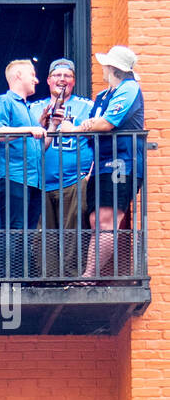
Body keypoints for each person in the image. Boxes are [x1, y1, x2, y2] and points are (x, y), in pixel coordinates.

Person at [69, 45, 145, 280]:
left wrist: (74, 128)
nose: (102, 68)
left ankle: (90, 275)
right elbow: (93, 126)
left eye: (106, 65)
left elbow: (106, 123)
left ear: (113, 68)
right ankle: (97, 273)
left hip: (121, 163)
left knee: (106, 220)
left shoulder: (129, 88)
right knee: (95, 220)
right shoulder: (104, 96)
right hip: (101, 164)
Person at [30, 58, 93, 277]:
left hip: (74, 180)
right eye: (57, 75)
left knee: (73, 232)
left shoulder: (87, 106)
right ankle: (48, 280)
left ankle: (71, 278)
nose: (62, 79)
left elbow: (102, 139)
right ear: (48, 80)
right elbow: (27, 143)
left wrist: (89, 174)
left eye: (67, 76)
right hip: (40, 183)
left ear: (74, 81)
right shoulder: (34, 107)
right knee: (43, 235)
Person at [0, 59, 49, 279]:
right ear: (17, 76)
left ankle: (21, 277)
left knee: (27, 232)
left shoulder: (30, 111)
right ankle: (10, 278)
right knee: (15, 229)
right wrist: (30, 129)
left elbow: (38, 146)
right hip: (12, 175)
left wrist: (48, 128)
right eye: (32, 74)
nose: (36, 79)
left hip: (33, 180)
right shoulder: (3, 101)